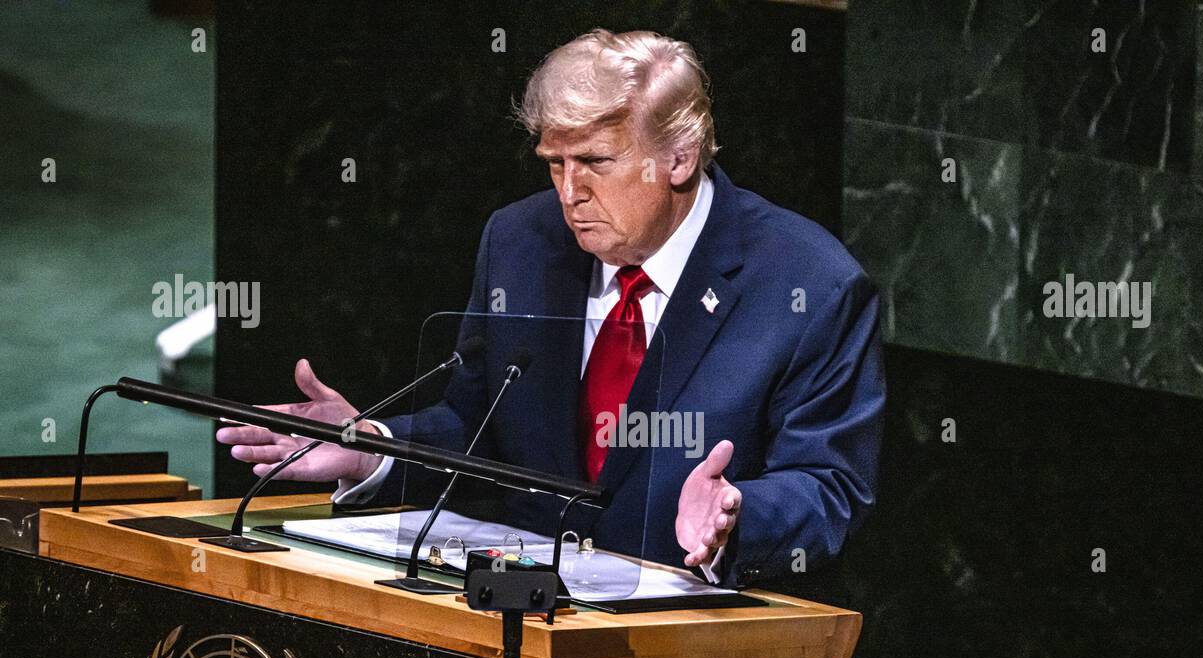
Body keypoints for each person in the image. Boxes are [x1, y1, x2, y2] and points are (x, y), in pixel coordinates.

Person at [217, 28, 884, 591]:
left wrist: (736, 516)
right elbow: (476, 425)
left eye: (595, 161)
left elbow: (827, 487)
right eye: (553, 162)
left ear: (679, 157)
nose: (570, 193)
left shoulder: (808, 286)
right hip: (523, 639)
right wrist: (372, 449)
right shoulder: (521, 244)